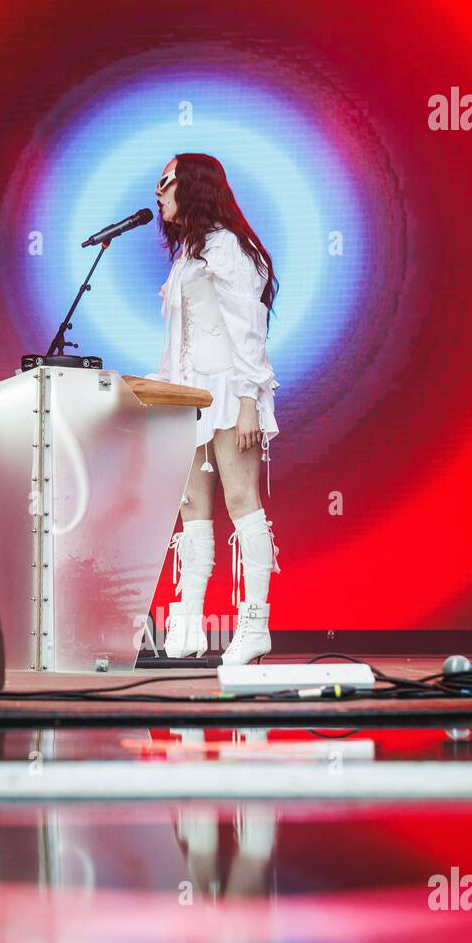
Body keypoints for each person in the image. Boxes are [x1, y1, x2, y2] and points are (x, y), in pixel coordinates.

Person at [147, 153, 281, 664]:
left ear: (194, 186)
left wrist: (248, 400)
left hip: (229, 390)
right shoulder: (190, 252)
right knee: (191, 509)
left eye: (166, 182)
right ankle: (189, 622)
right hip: (192, 396)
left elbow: (249, 329)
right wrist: (165, 392)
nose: (158, 193)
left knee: (243, 500)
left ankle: (254, 625)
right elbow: (178, 340)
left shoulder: (228, 248)